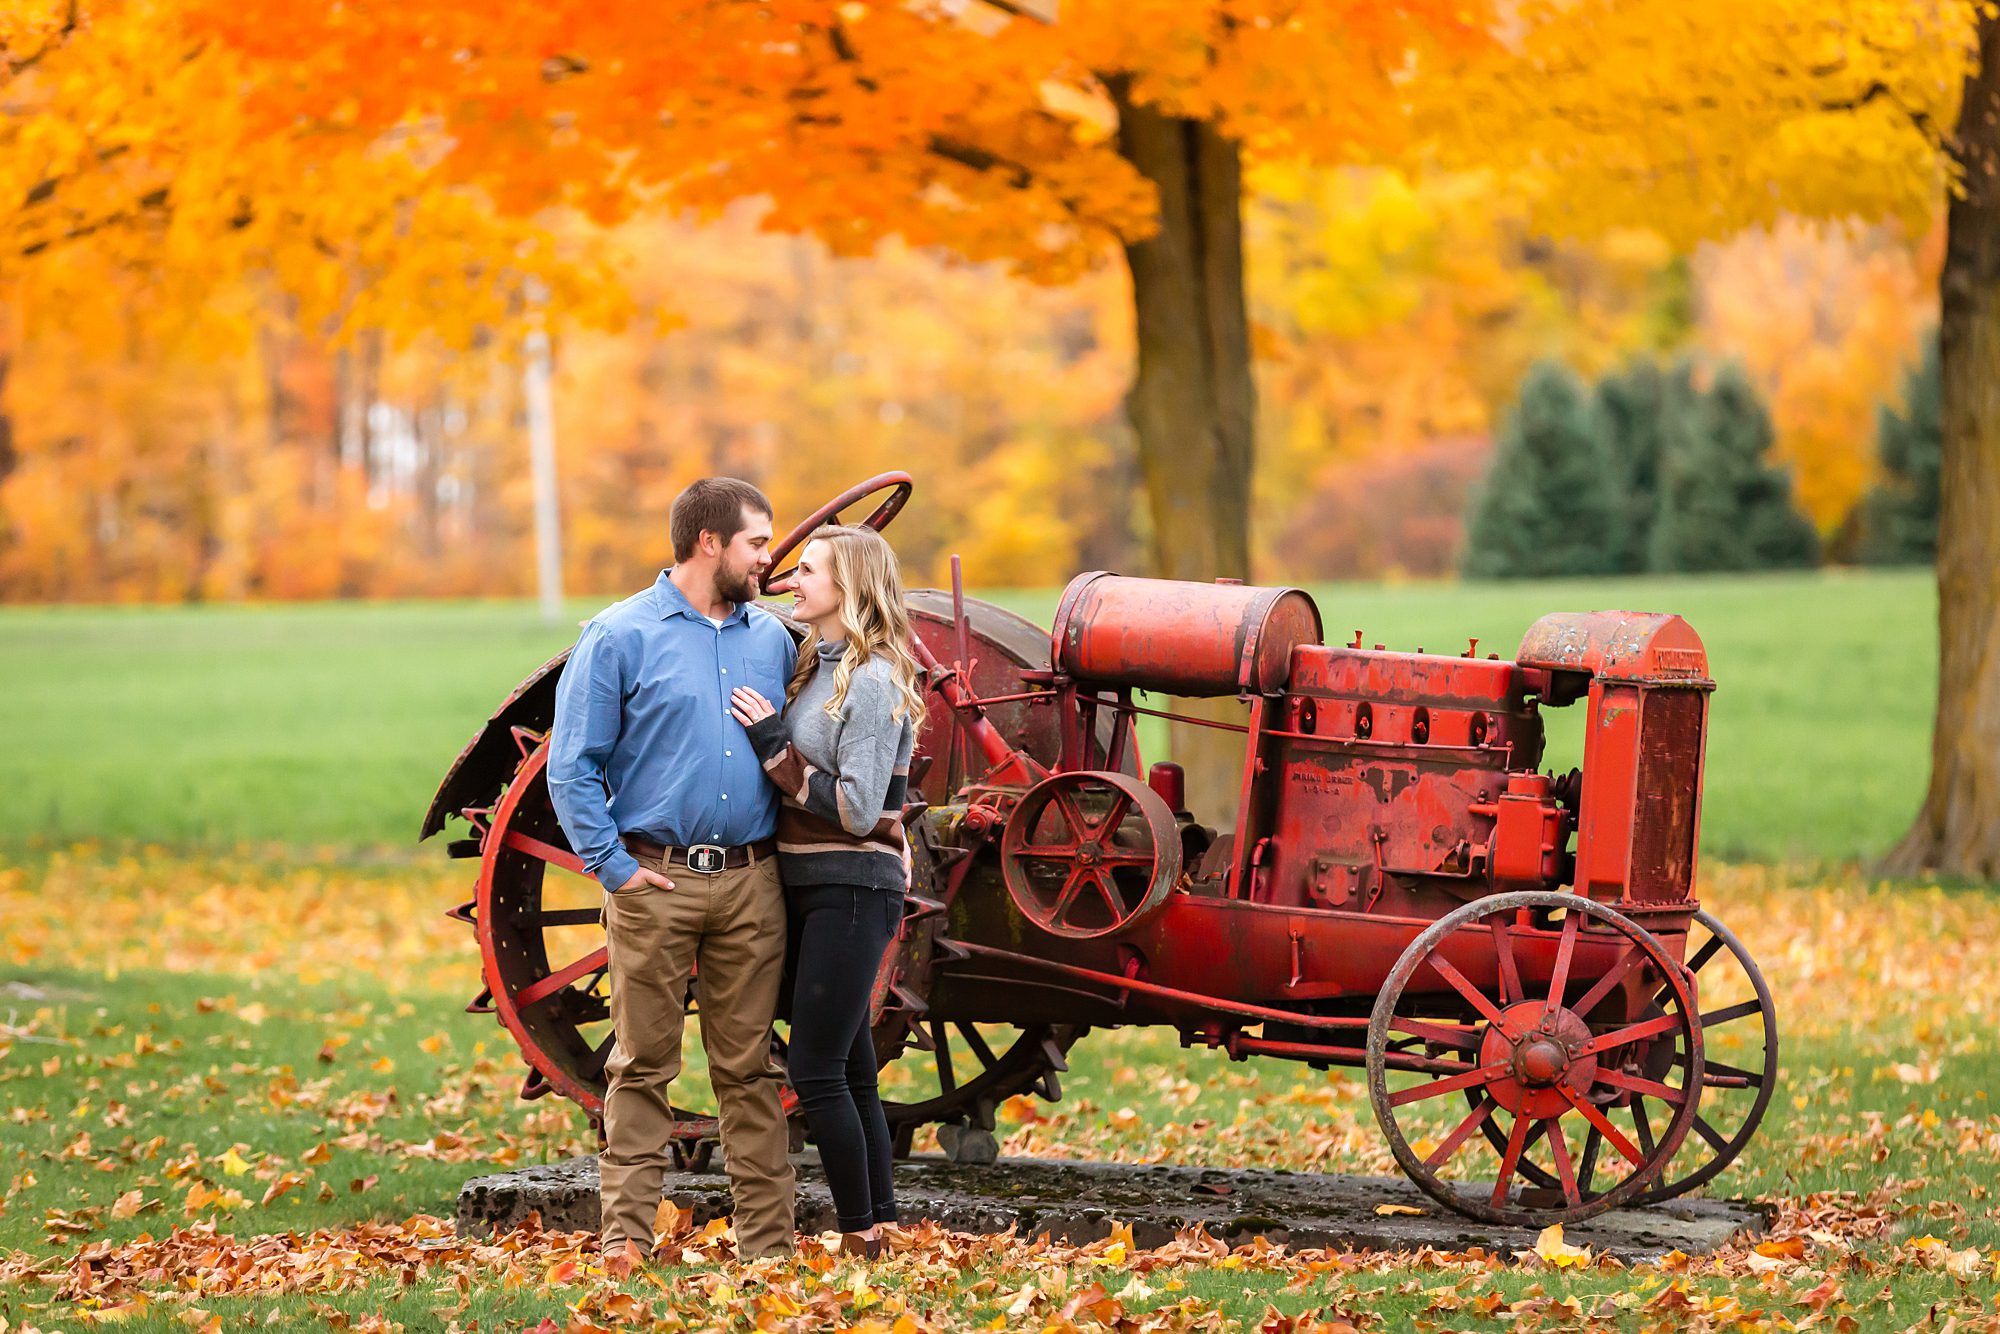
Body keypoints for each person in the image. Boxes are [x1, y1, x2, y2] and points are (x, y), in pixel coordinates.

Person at [547, 478, 800, 1274]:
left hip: (752, 883)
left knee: (752, 1070)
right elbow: (571, 766)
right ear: (709, 544)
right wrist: (614, 869)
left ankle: (769, 1248)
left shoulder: (774, 640)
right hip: (654, 881)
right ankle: (624, 1241)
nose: (769, 557)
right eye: (758, 542)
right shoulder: (620, 635)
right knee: (642, 1065)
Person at [727, 524, 923, 1260]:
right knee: (851, 1071)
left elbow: (860, 808)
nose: (793, 580)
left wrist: (776, 747)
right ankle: (880, 1230)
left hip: (848, 892)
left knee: (814, 1071)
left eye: (809, 571)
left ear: (852, 588)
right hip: (818, 887)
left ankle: (857, 1235)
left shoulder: (870, 680)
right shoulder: (823, 665)